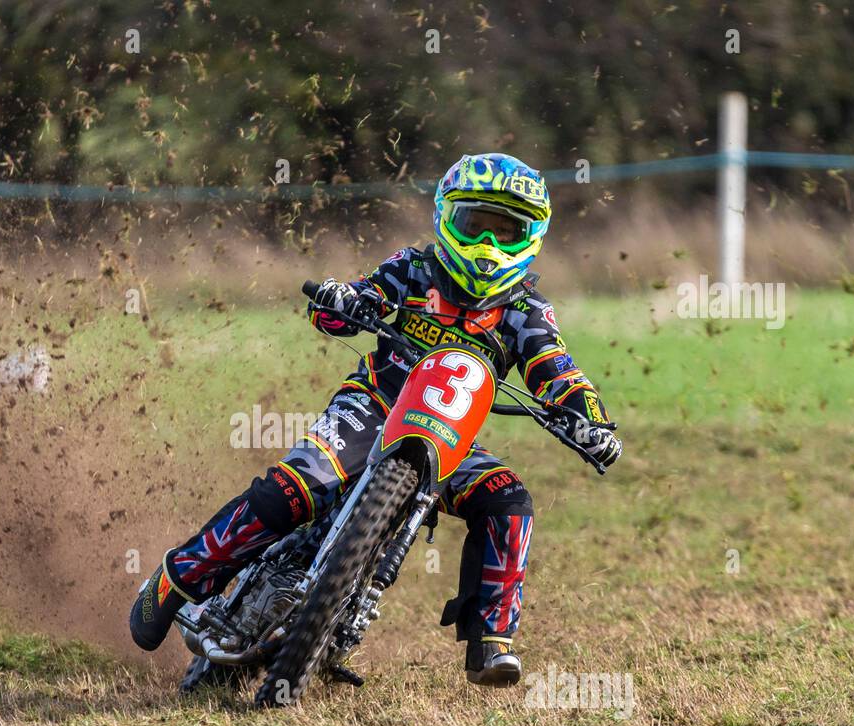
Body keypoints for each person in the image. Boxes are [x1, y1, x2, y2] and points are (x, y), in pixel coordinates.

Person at [130, 153, 621, 687]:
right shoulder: (414, 267)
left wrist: (590, 421)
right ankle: (181, 576)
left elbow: (559, 371)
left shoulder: (527, 311)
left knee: (509, 500)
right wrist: (345, 301)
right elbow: (357, 298)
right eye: (474, 225)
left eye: (505, 233)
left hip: (450, 438)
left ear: (533, 238)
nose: (486, 246)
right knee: (295, 488)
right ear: (445, 219)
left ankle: (492, 641)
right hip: (373, 405)